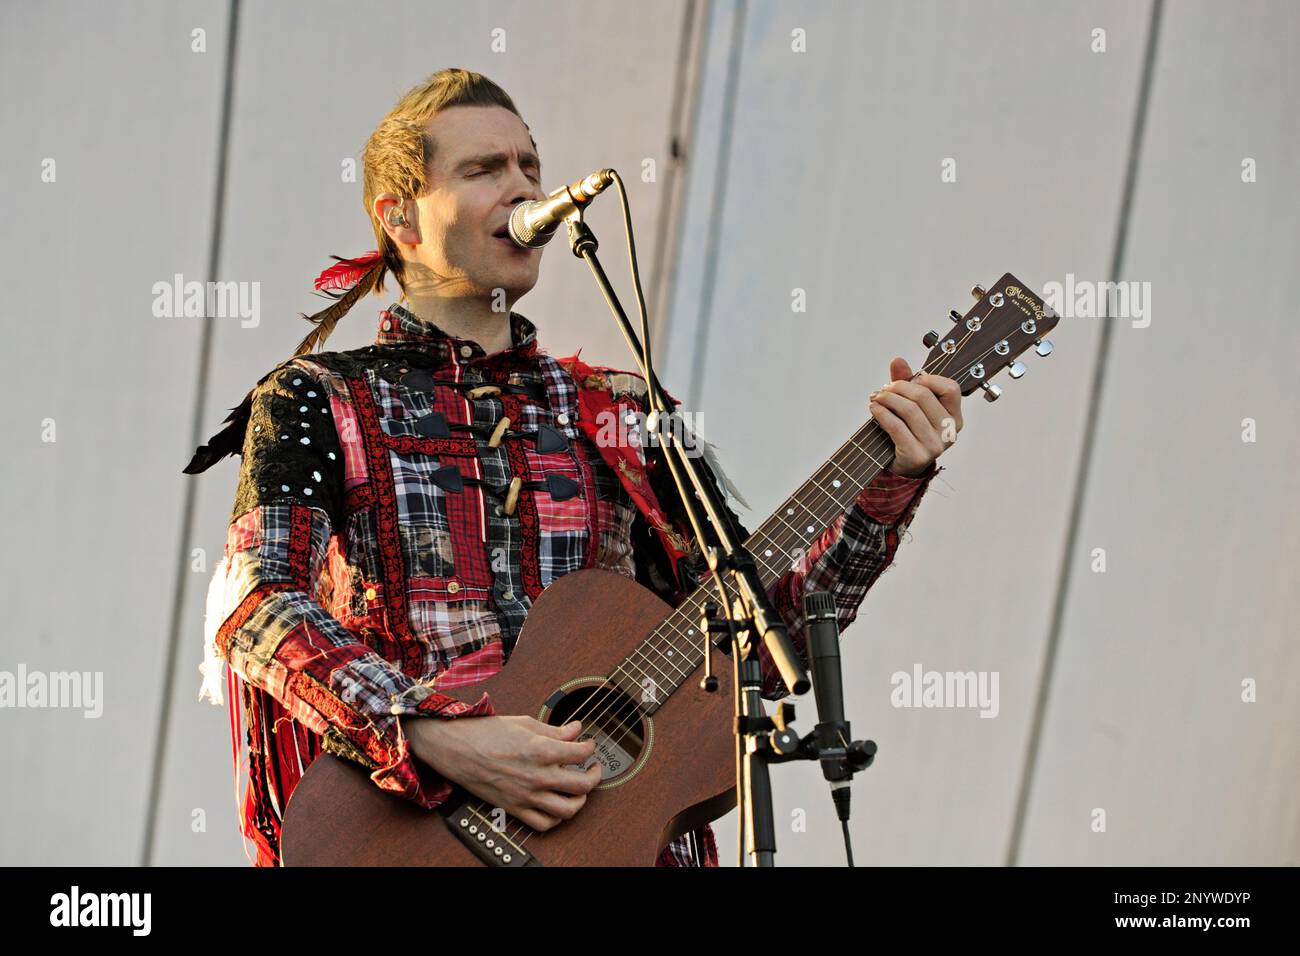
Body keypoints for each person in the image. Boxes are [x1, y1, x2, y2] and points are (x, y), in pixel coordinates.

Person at [184, 68, 961, 867]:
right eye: (484, 170)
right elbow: (257, 607)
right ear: (400, 218)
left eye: (530, 166)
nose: (523, 189)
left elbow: (753, 644)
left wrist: (887, 487)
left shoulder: (624, 406)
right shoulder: (320, 396)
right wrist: (434, 737)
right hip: (415, 836)